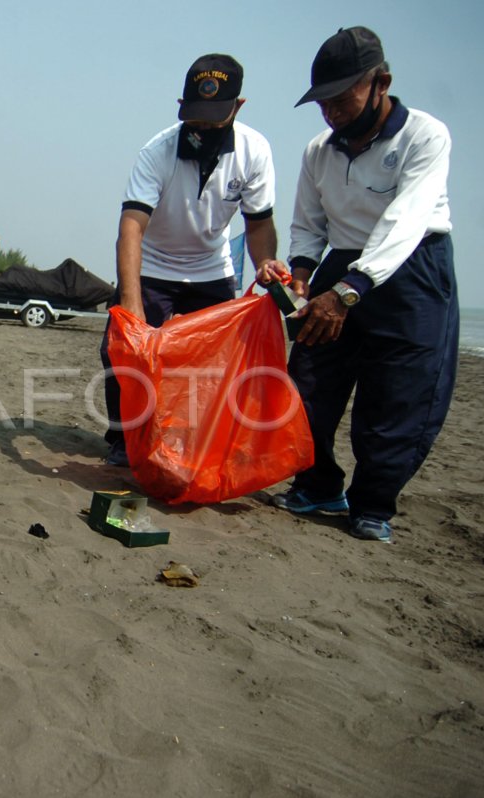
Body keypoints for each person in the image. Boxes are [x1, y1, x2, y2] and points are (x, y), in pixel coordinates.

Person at [257, 26, 458, 543]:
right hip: (340, 267)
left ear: (381, 82)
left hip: (410, 269)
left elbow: (405, 220)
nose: (330, 111)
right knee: (307, 385)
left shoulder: (426, 136)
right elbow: (308, 223)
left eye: (341, 98)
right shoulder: (318, 151)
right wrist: (299, 277)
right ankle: (318, 484)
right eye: (321, 101)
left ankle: (372, 504)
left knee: (396, 398)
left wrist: (348, 291)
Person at [100, 53, 281, 466]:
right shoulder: (156, 152)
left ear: (238, 108)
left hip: (211, 269)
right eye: (194, 119)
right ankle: (123, 438)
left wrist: (266, 262)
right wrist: (131, 305)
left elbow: (258, 224)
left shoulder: (255, 151)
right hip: (154, 266)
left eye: (214, 121)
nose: (202, 130)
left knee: (212, 361)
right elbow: (131, 228)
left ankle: (192, 438)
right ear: (181, 107)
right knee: (121, 351)